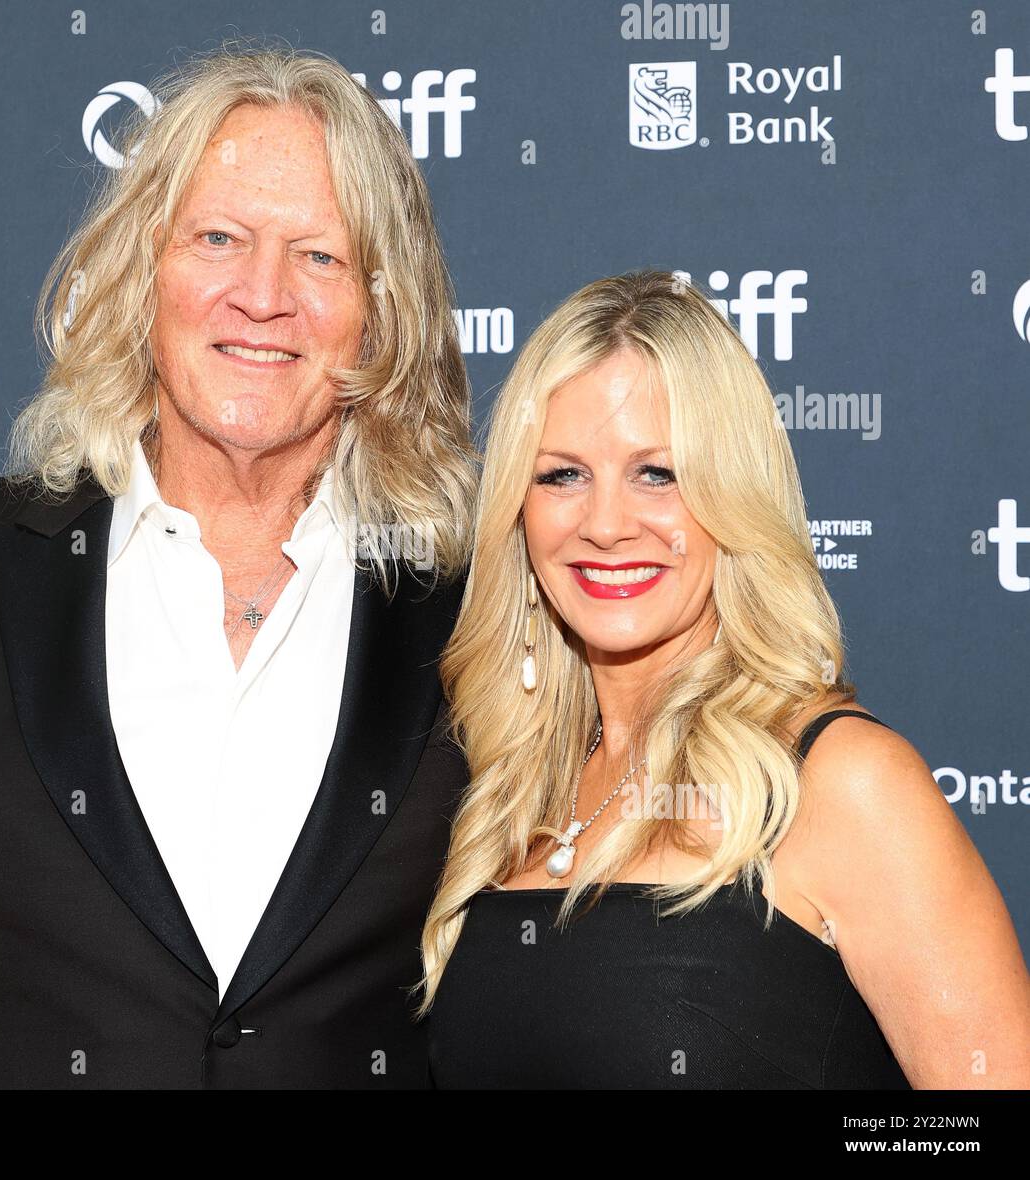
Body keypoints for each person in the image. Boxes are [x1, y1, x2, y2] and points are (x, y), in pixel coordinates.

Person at [0, 44, 476, 1089]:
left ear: (382, 308)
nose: (261, 295)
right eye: (219, 238)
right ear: (143, 270)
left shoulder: (478, 615)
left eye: (319, 257)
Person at [419, 269, 1030, 1089]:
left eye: (657, 474)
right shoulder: (507, 795)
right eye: (562, 474)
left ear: (732, 496)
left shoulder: (838, 782)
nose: (605, 524)